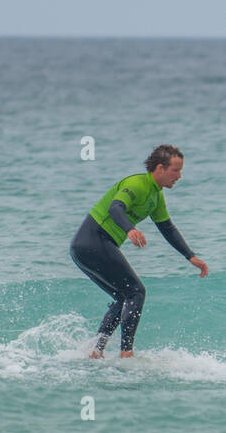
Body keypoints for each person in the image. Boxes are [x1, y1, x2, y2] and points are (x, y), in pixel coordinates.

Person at [69, 144, 208, 358]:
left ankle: (96, 351)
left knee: (123, 296)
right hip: (93, 241)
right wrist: (130, 229)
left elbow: (167, 228)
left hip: (87, 247)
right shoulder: (137, 184)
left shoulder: (156, 196)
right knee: (136, 292)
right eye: (176, 170)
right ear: (160, 168)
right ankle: (126, 353)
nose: (179, 176)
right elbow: (116, 207)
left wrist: (191, 256)